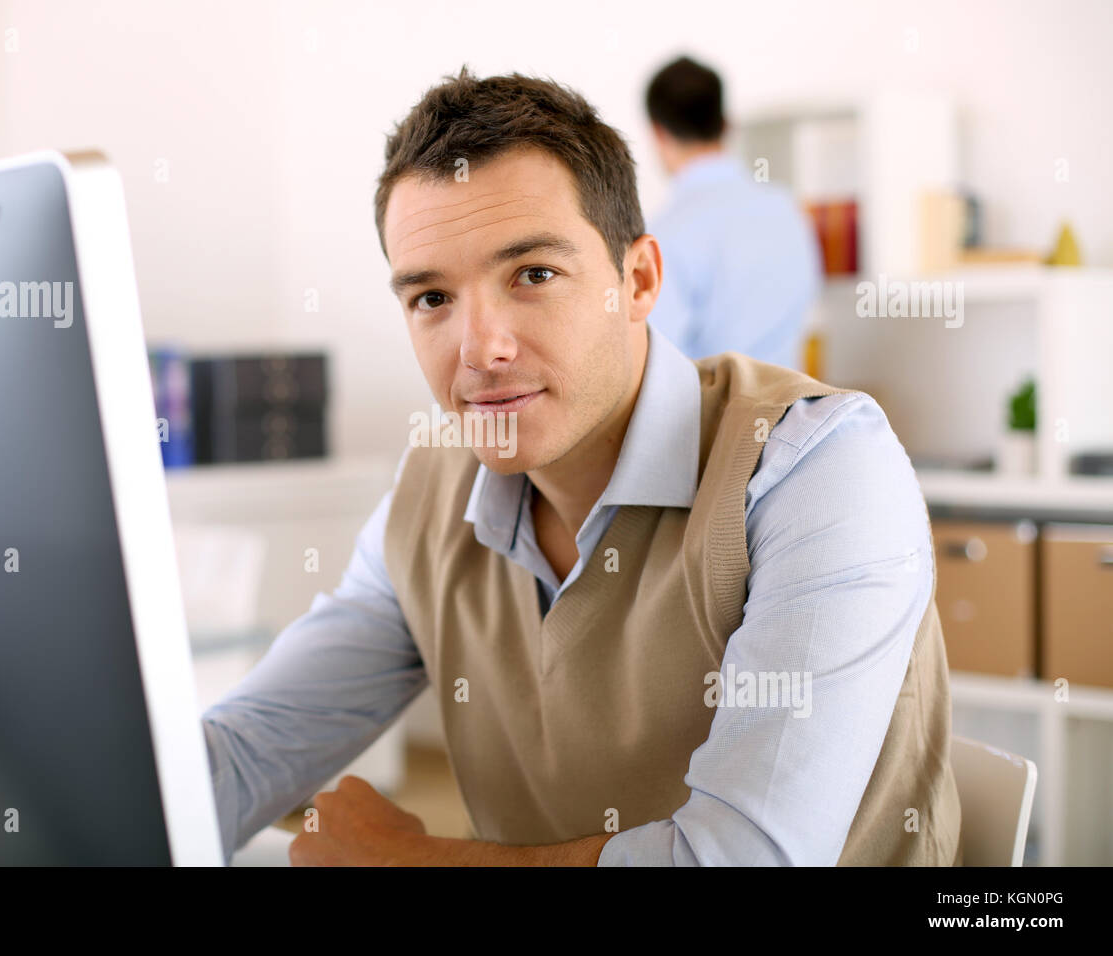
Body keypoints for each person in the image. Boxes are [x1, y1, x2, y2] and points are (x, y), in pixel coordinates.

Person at [201, 66, 961, 866]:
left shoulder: (822, 468)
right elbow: (251, 751)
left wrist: (409, 862)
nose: (480, 349)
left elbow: (740, 860)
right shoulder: (431, 492)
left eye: (533, 275)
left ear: (638, 281)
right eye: (431, 298)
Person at [645, 55, 821, 369]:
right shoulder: (788, 211)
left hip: (712, 416)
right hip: (795, 411)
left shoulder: (664, 234)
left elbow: (659, 362)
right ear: (726, 124)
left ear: (658, 132)